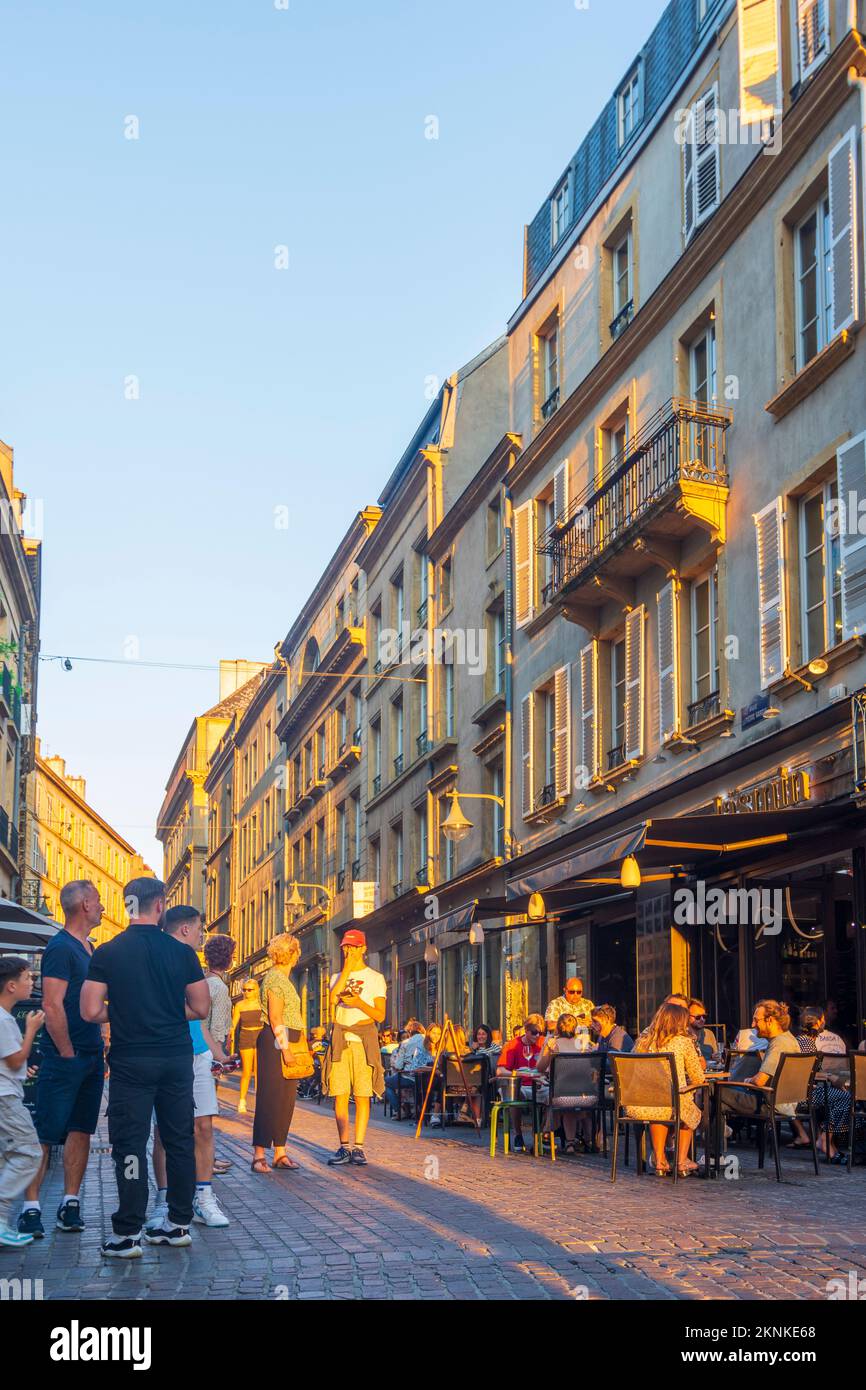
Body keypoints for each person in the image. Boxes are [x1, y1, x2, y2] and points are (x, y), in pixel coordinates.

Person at [80, 876, 210, 1258]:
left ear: (127, 905)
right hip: (174, 1058)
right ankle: (178, 1223)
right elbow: (201, 1007)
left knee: (131, 1144)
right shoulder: (182, 952)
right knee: (178, 1139)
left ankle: (128, 1231)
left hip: (130, 1060)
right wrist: (169, 1013)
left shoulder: (107, 952)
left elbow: (89, 1010)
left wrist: (123, 1015)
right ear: (160, 906)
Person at [18, 880, 106, 1241]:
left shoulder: (89, 950)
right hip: (64, 1057)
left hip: (90, 1056)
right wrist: (68, 1054)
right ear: (84, 904)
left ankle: (70, 1203)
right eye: (98, 900)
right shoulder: (60, 948)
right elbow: (52, 1005)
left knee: (81, 1130)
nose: (103, 907)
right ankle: (31, 1208)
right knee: (46, 1132)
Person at [151, 907, 231, 1228]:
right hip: (166, 1053)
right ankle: (163, 1200)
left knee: (204, 1128)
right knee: (164, 1133)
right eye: (200, 928)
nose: (202, 935)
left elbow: (200, 1020)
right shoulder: (158, 959)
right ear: (185, 929)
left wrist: (217, 1053)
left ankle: (204, 1197)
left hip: (197, 1055)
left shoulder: (194, 965)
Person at [324, 929, 386, 1166]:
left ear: (363, 948)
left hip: (363, 1041)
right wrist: (347, 970)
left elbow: (379, 1014)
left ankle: (358, 1147)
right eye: (345, 947)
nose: (348, 951)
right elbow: (331, 1000)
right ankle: (343, 1145)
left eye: (353, 947)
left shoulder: (375, 978)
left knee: (362, 1094)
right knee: (339, 1094)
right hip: (341, 1038)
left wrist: (358, 1002)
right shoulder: (337, 976)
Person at [628, 1001, 705, 1177]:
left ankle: (660, 1161)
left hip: (638, 1103)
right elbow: (698, 1078)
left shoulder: (644, 1041)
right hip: (670, 1102)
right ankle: (681, 1161)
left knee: (660, 1108)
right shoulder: (683, 1042)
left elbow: (631, 1067)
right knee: (690, 1112)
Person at [251, 933, 304, 1175]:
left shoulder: (284, 979)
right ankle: (259, 1154)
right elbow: (275, 1017)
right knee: (269, 1098)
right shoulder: (274, 979)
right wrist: (286, 1049)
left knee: (286, 1100)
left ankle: (280, 1151)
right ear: (292, 953)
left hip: (286, 1039)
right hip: (275, 1041)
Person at [0, 958, 44, 1247]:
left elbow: (11, 1061)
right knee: (30, 1152)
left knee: (9, 1154)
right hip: (5, 1097)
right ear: (11, 985)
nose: (32, 983)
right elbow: (14, 1057)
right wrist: (31, 1031)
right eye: (28, 978)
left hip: (6, 1089)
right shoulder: (4, 1020)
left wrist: (20, 1066)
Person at [718, 1000, 801, 1121]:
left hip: (769, 1104)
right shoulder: (790, 1039)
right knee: (720, 1103)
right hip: (784, 1103)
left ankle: (705, 1136)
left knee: (712, 1088)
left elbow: (759, 1081)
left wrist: (747, 1080)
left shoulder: (778, 1044)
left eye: (756, 1020)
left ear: (770, 1020)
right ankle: (723, 1135)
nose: (752, 1025)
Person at [789, 1006, 851, 1161]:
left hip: (802, 1092)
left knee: (840, 1096)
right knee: (846, 1098)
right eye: (823, 1019)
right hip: (801, 1096)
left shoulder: (804, 1040)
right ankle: (825, 1140)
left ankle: (827, 1141)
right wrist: (830, 1077)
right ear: (818, 1022)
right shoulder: (806, 1043)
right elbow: (808, 1073)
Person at [537, 1013, 598, 1154]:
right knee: (568, 1097)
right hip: (587, 1097)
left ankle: (548, 1134)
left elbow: (540, 1068)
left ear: (557, 1027)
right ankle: (583, 1140)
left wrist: (549, 1053)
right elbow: (593, 1069)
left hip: (562, 1096)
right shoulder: (584, 1044)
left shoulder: (553, 1043)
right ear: (576, 1027)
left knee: (559, 1098)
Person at [496, 1014, 546, 1152]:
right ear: (526, 1029)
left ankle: (541, 1134)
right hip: (520, 1084)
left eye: (541, 1032)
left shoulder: (543, 1043)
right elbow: (500, 1071)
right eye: (534, 1032)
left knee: (554, 1095)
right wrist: (517, 1073)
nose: (538, 1036)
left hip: (539, 1084)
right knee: (514, 1094)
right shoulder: (513, 1044)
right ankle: (518, 1134)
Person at [383, 1019, 430, 1118]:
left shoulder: (405, 1043)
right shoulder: (428, 1041)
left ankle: (399, 1110)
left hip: (409, 1077)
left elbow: (398, 1065)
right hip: (427, 1077)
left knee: (385, 1083)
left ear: (409, 1032)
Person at [232, 979, 263, 1114]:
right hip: (246, 1035)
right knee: (246, 1071)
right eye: (244, 989)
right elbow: (234, 1024)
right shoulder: (240, 1005)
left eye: (249, 989)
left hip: (260, 1035)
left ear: (256, 990)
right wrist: (229, 1036)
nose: (246, 992)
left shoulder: (262, 1004)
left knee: (259, 1071)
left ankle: (259, 1101)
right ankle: (242, 1100)